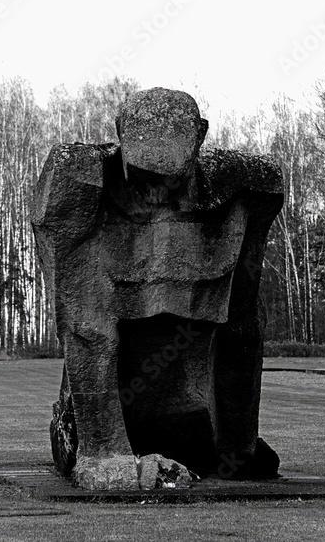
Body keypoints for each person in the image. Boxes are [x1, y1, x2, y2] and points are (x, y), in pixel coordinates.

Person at [33, 87, 283, 489]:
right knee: (95, 328)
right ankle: (105, 445)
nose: (156, 192)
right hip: (110, 421)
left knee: (238, 329)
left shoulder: (246, 189)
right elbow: (84, 326)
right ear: (120, 133)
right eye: (143, 173)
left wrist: (239, 444)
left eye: (169, 176)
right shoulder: (80, 179)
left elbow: (242, 324)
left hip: (195, 420)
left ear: (200, 138)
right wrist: (103, 453)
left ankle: (228, 445)